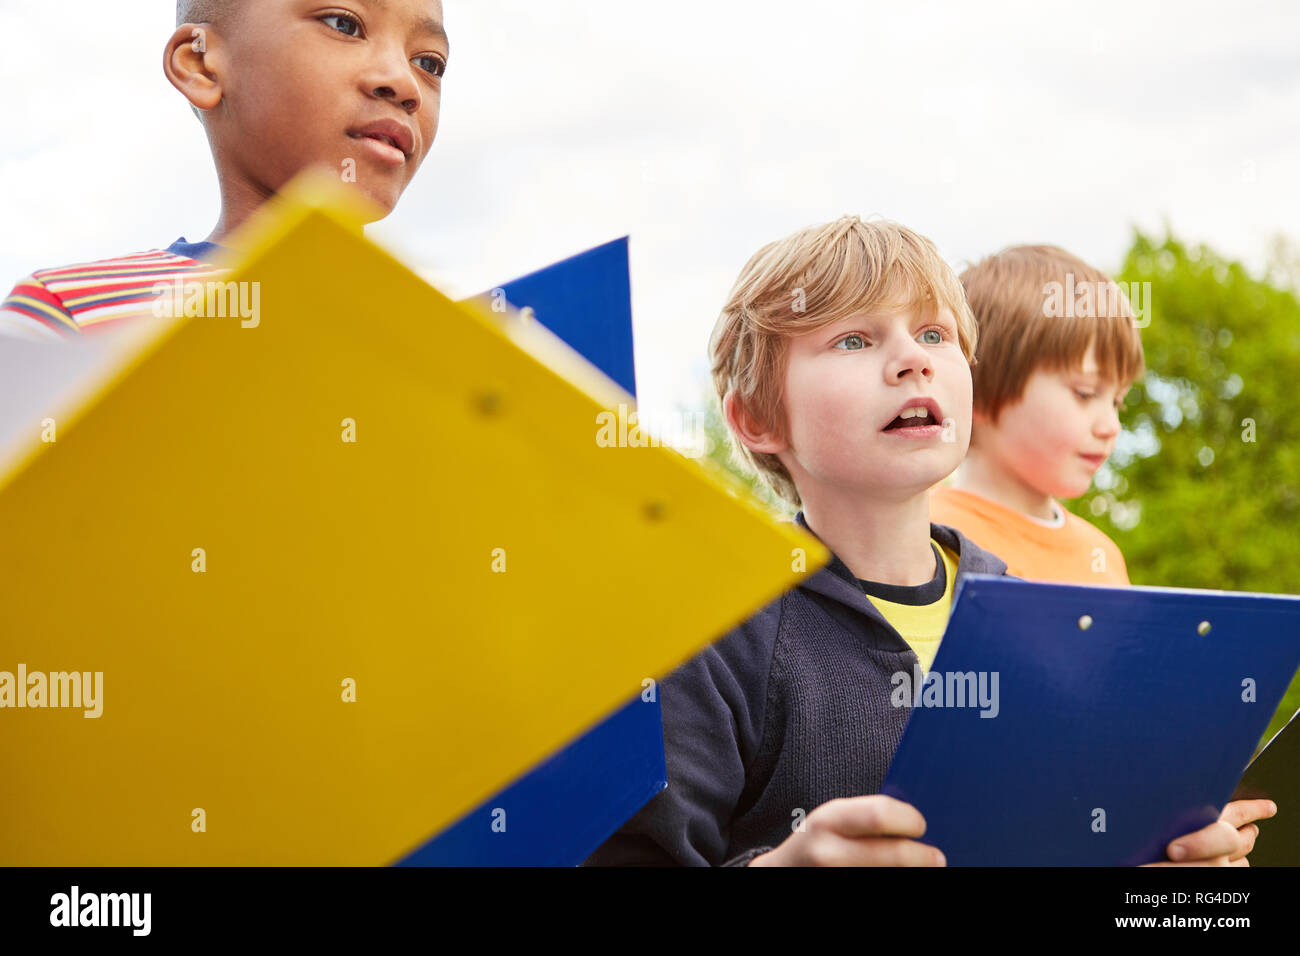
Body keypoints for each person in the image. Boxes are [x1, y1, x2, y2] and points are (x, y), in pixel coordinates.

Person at [584, 218, 1271, 866]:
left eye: (937, 335)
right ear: (759, 418)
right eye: (855, 340)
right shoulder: (710, 636)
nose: (914, 359)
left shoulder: (1043, 618)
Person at [0, 0, 449, 340]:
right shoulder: (71, 316)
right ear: (200, 64)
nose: (406, 84)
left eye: (428, 63)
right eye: (344, 24)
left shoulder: (454, 340)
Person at [930, 245, 1140, 585]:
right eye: (1085, 394)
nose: (1111, 427)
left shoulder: (1103, 555)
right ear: (978, 393)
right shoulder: (927, 542)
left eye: (1117, 401)